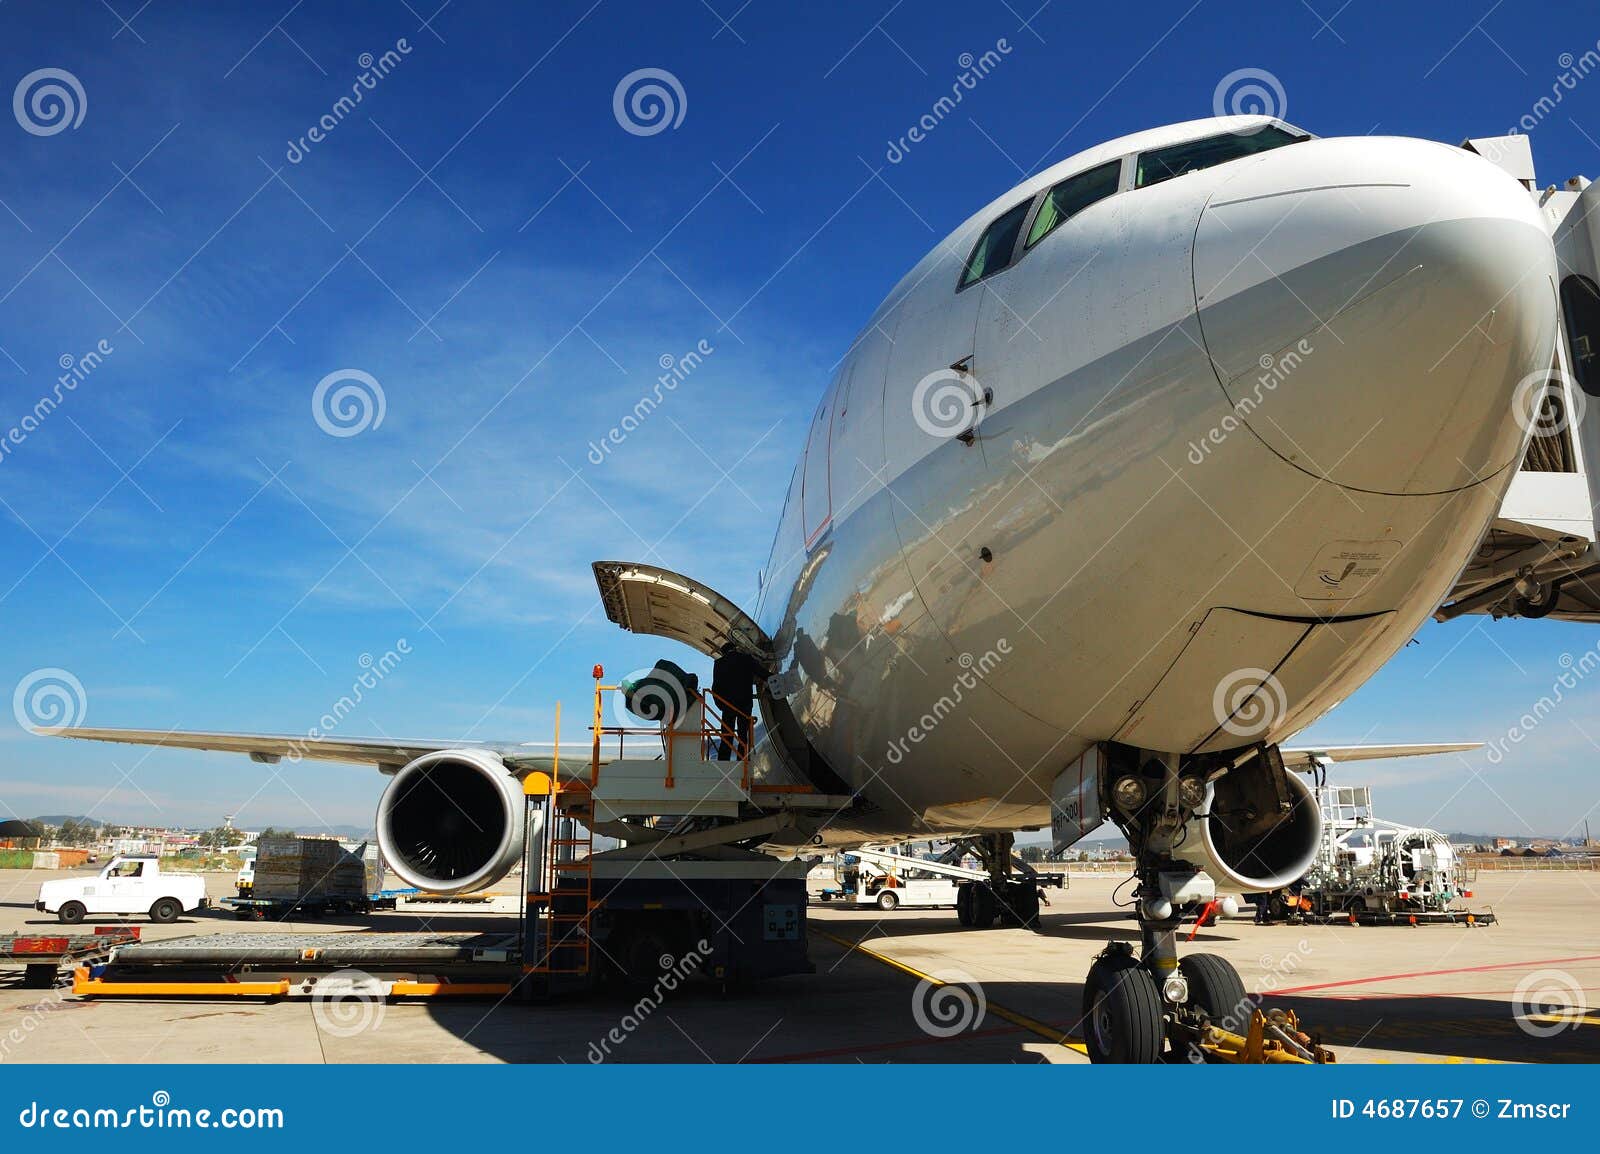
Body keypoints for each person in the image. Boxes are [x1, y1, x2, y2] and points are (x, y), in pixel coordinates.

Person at [710, 647, 764, 761]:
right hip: (745, 704)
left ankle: (723, 760)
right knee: (743, 735)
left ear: (723, 652)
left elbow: (715, 688)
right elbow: (761, 672)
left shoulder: (719, 663)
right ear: (735, 649)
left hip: (728, 706)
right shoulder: (746, 659)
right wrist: (772, 677)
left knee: (727, 735)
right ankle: (743, 760)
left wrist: (721, 705)